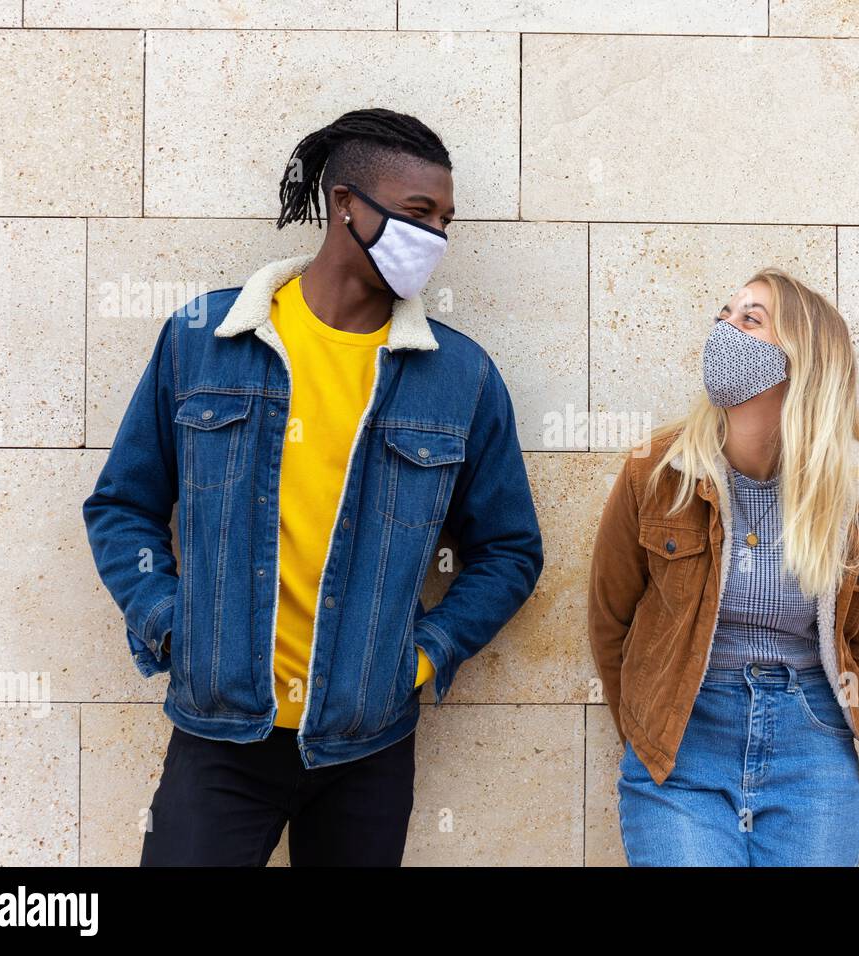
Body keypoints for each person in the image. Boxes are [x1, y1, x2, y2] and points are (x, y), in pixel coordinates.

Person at [83, 107, 544, 866]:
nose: (434, 239)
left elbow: (509, 552)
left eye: (446, 221)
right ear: (345, 204)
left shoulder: (459, 378)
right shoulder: (206, 338)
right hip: (221, 733)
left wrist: (422, 657)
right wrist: (170, 620)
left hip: (367, 746)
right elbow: (122, 505)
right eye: (417, 213)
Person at [587, 267, 859, 866]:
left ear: (803, 361)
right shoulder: (656, 471)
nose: (724, 328)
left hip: (812, 745)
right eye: (725, 314)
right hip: (681, 740)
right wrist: (644, 727)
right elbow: (611, 618)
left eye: (750, 318)